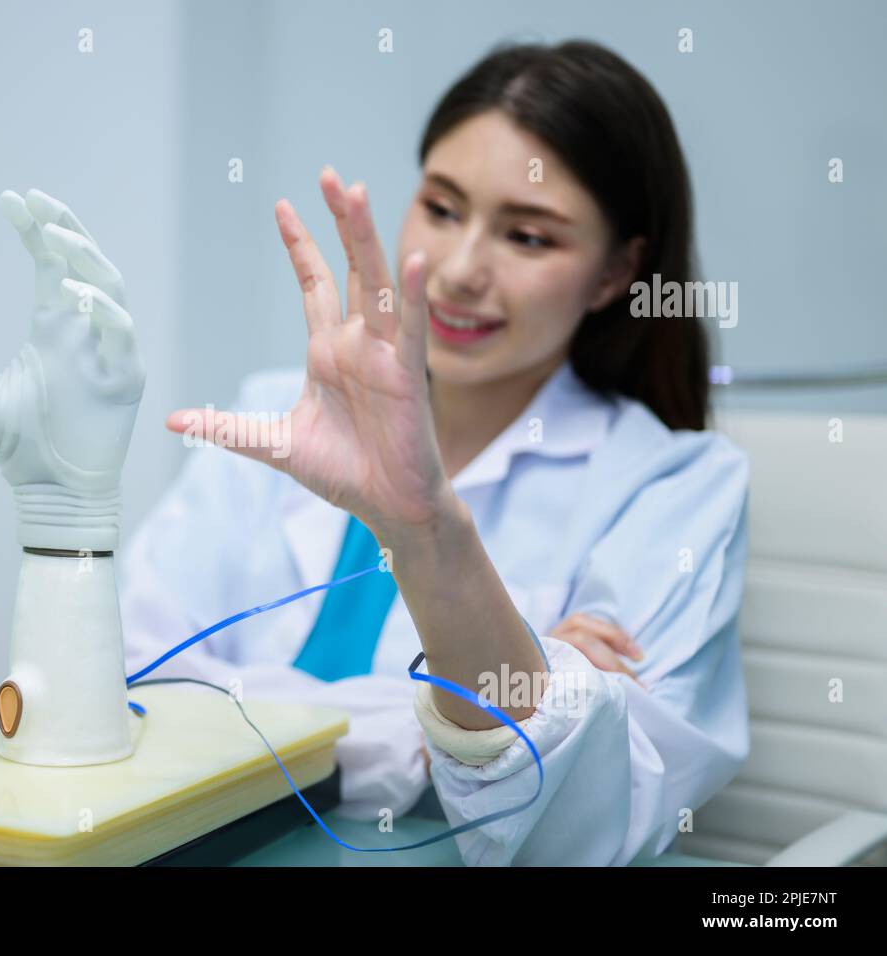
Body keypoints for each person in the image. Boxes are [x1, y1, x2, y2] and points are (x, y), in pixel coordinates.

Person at [117, 39, 750, 866]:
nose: (457, 270)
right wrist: (442, 726)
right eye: (443, 209)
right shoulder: (279, 411)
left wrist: (426, 537)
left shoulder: (672, 487)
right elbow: (126, 685)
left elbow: (576, 830)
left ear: (614, 273)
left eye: (527, 237)